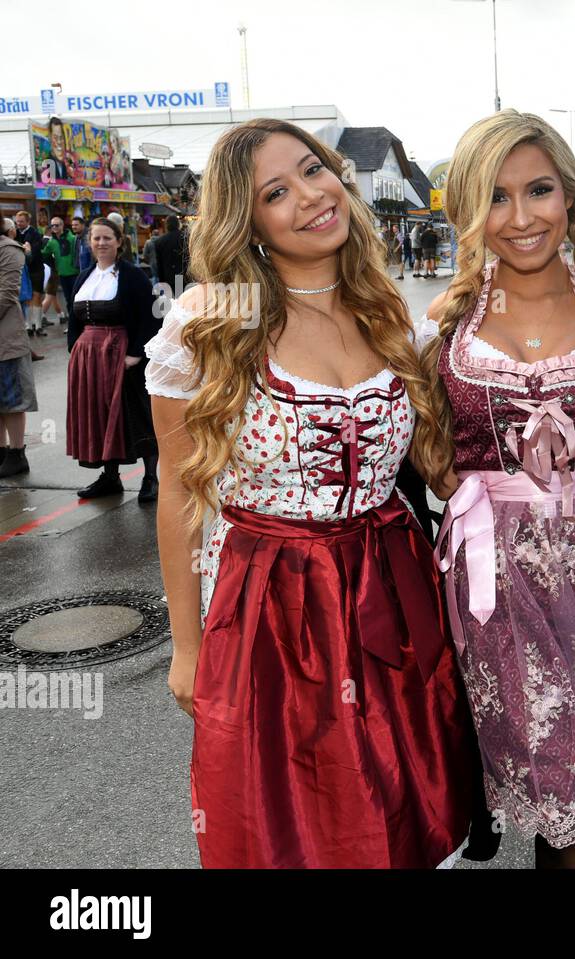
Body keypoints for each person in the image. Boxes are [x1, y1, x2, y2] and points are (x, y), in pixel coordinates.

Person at [145, 117, 478, 868]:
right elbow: (179, 495)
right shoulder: (210, 322)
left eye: (313, 170)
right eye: (276, 191)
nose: (308, 196)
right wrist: (186, 648)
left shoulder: (385, 308)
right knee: (294, 827)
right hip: (272, 608)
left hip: (395, 596)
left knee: (407, 809)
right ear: (249, 220)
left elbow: (437, 462)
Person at [420, 110, 575, 869]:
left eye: (539, 190)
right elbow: (423, 442)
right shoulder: (448, 320)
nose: (520, 218)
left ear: (570, 198)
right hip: (496, 579)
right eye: (496, 196)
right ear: (467, 210)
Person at [66, 218, 159, 501]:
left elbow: (152, 315)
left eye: (107, 238)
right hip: (90, 361)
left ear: (119, 241)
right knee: (101, 417)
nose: (102, 243)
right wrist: (76, 351)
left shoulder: (133, 276)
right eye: (97, 238)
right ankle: (110, 477)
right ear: (90, 243)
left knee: (135, 416)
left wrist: (136, 353)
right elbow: (75, 320)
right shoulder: (85, 277)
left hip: (123, 358)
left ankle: (150, 478)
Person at [1, 218, 37, 478]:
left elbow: (7, 293)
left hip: (6, 338)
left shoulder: (8, 249)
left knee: (12, 400)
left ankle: (16, 454)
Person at [13, 211, 43, 337]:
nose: (18, 224)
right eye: (17, 221)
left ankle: (38, 326)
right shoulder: (14, 233)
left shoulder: (35, 234)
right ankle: (29, 325)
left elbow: (33, 253)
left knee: (36, 296)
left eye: (21, 221)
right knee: (27, 297)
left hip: (35, 269)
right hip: (23, 269)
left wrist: (26, 251)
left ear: (28, 222)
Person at [153, 216, 186, 293]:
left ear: (166, 226)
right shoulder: (185, 238)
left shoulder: (160, 242)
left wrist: (161, 280)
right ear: (178, 224)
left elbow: (159, 264)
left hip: (167, 277)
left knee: (170, 302)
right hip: (183, 277)